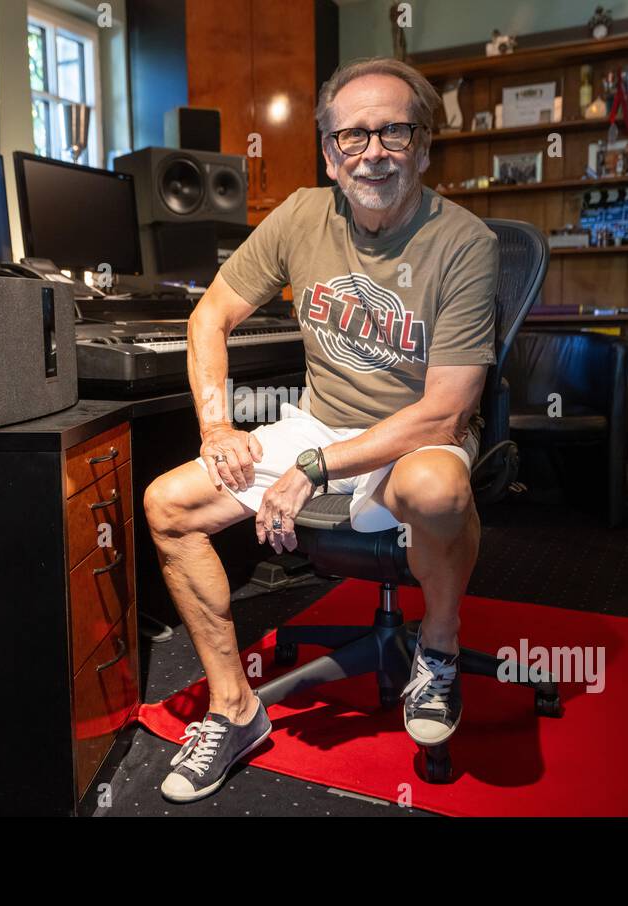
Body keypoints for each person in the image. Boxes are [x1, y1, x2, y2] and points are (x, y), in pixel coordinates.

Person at [143, 56, 500, 803]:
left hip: (411, 435)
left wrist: (315, 466)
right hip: (320, 424)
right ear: (331, 156)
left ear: (425, 146)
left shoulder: (466, 243)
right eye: (352, 137)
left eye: (393, 132)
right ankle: (236, 708)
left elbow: (443, 411)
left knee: (437, 490)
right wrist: (216, 428)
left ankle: (437, 646)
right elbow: (209, 315)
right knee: (167, 506)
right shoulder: (302, 214)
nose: (372, 151)